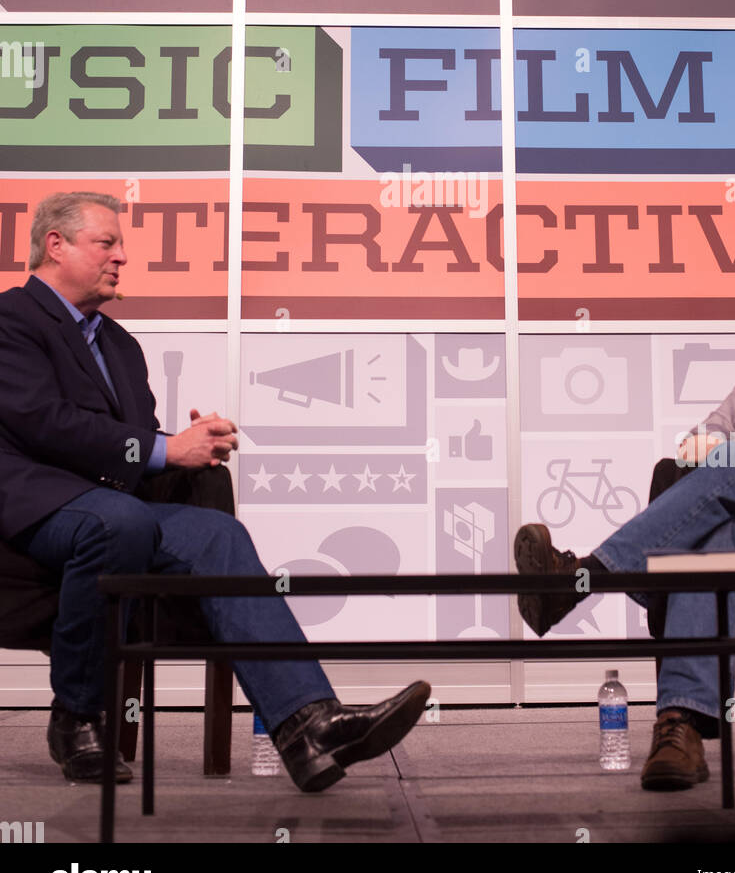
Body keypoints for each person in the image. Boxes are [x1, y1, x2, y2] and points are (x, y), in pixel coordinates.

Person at [0, 192, 430, 789]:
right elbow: (42, 422)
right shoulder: (12, 320)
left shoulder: (120, 345)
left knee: (218, 533)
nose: (121, 257)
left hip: (116, 506)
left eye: (121, 246)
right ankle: (77, 717)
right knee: (119, 522)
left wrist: (186, 445)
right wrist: (160, 449)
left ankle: (307, 726)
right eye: (107, 243)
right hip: (34, 501)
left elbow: (128, 441)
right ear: (56, 245)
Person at [514, 235, 735, 791]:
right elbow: (695, 445)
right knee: (711, 543)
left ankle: (584, 578)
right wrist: (723, 447)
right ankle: (680, 728)